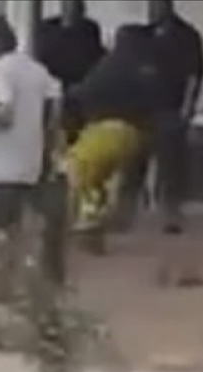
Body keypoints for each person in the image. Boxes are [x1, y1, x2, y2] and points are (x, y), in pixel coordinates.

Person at [0, 14, 61, 245]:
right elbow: (56, 99)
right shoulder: (35, 69)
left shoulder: (0, 70)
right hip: (32, 166)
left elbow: (5, 112)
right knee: (21, 233)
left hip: (3, 169)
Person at [64, 24, 159, 247]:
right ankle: (100, 219)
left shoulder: (111, 66)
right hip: (135, 136)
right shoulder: (147, 70)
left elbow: (82, 93)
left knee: (78, 169)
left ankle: (90, 222)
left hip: (106, 132)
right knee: (101, 178)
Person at [118, 0, 203, 234]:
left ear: (168, 6)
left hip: (171, 108)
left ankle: (171, 213)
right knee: (133, 162)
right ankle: (123, 214)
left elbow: (194, 75)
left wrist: (188, 108)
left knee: (170, 165)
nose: (152, 11)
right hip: (141, 109)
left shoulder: (187, 36)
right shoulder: (142, 36)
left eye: (157, 6)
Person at [35, 0, 106, 94]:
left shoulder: (89, 30)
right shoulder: (47, 34)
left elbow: (98, 54)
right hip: (57, 86)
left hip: (85, 86)